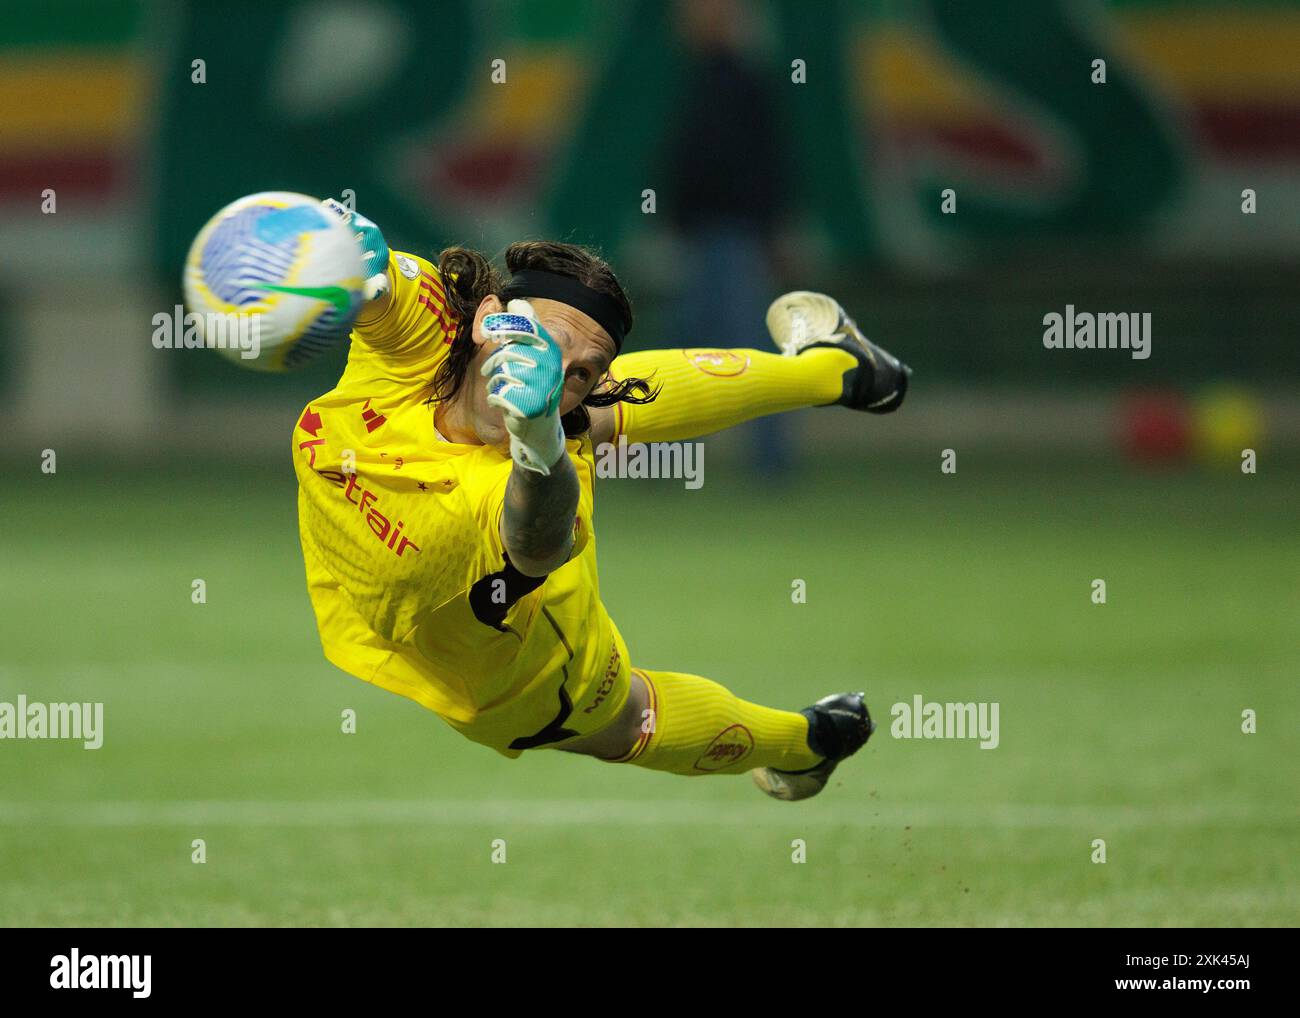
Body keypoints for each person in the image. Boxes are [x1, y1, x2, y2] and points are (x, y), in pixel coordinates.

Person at [292, 201, 910, 801]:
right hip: (380, 589)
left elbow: (533, 540)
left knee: (626, 718)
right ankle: (841, 369)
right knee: (600, 410)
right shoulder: (424, 344)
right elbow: (387, 290)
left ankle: (806, 745)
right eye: (543, 339)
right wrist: (344, 265)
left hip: (519, 671)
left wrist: (538, 437)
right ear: (485, 318)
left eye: (583, 371)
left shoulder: (536, 487)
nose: (558, 376)